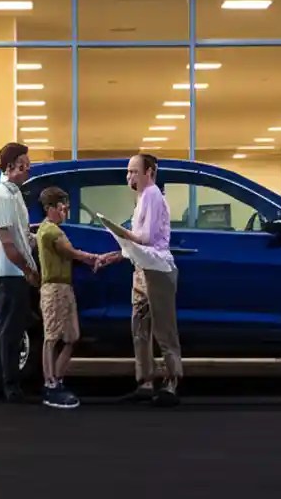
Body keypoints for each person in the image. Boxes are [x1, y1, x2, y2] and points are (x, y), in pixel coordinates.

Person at [96, 153, 182, 407]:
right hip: (142, 267)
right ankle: (145, 381)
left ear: (150, 172)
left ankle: (171, 381)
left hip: (157, 268)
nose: (129, 176)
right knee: (140, 327)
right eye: (128, 171)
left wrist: (120, 232)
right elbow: (137, 244)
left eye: (135, 171)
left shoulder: (153, 195)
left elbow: (145, 238)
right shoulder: (143, 198)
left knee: (163, 328)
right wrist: (115, 253)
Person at [35, 186, 111, 409]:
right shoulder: (51, 232)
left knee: (71, 337)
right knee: (52, 337)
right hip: (54, 289)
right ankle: (50, 384)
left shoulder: (48, 229)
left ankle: (57, 379)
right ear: (50, 208)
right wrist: (95, 258)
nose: (65, 211)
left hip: (64, 288)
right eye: (61, 207)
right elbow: (72, 253)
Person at [0, 142, 41, 403]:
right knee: (10, 331)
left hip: (13, 271)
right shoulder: (0, 196)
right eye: (23, 166)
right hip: (9, 273)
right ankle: (10, 385)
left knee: (2, 329)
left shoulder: (14, 193)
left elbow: (19, 233)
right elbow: (7, 242)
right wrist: (27, 270)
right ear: (8, 167)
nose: (27, 170)